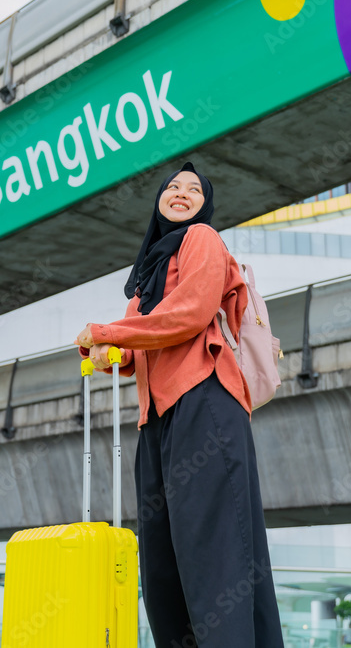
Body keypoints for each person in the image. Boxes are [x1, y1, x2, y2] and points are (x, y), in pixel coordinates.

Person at [75, 162, 284, 648]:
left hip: (205, 402)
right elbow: (140, 346)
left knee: (216, 561)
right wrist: (110, 352)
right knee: (164, 572)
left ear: (204, 205)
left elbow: (189, 314)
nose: (181, 193)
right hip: (156, 421)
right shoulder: (148, 274)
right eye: (172, 187)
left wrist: (108, 331)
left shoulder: (203, 240)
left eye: (194, 190)